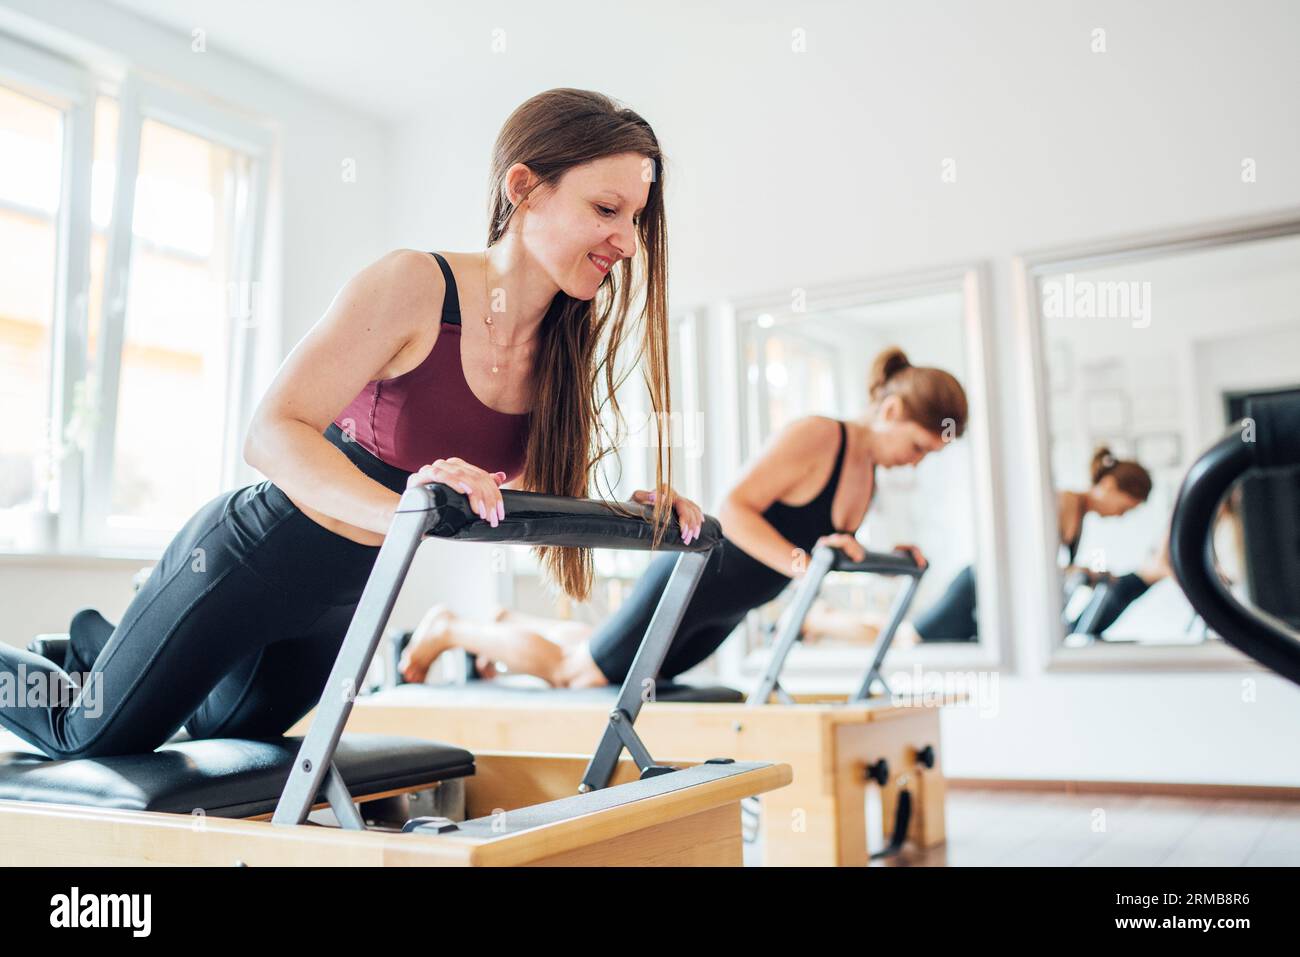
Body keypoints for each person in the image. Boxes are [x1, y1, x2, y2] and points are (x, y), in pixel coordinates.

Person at [0, 88, 704, 759]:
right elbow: (270, 430)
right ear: (523, 187)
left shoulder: (559, 352)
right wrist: (408, 507)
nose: (628, 242)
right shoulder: (414, 285)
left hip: (352, 591)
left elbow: (529, 508)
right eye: (607, 208)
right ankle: (112, 649)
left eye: (636, 218)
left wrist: (634, 516)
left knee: (219, 734)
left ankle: (97, 640)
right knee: (86, 733)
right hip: (251, 558)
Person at [398, 346, 969, 687]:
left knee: (615, 665)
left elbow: (823, 548)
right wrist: (802, 565)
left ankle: (504, 622)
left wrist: (880, 559)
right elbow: (737, 510)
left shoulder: (866, 474)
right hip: (697, 582)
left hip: (731, 607)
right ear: (891, 410)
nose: (914, 461)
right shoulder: (820, 436)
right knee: (580, 674)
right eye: (918, 446)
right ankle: (451, 628)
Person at [904, 447, 1154, 643]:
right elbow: (1028, 563)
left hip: (992, 595)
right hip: (976, 587)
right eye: (1124, 507)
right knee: (915, 639)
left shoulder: (1078, 514)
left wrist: (1084, 573)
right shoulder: (1063, 503)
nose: (1121, 515)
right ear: (1108, 486)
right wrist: (1080, 573)